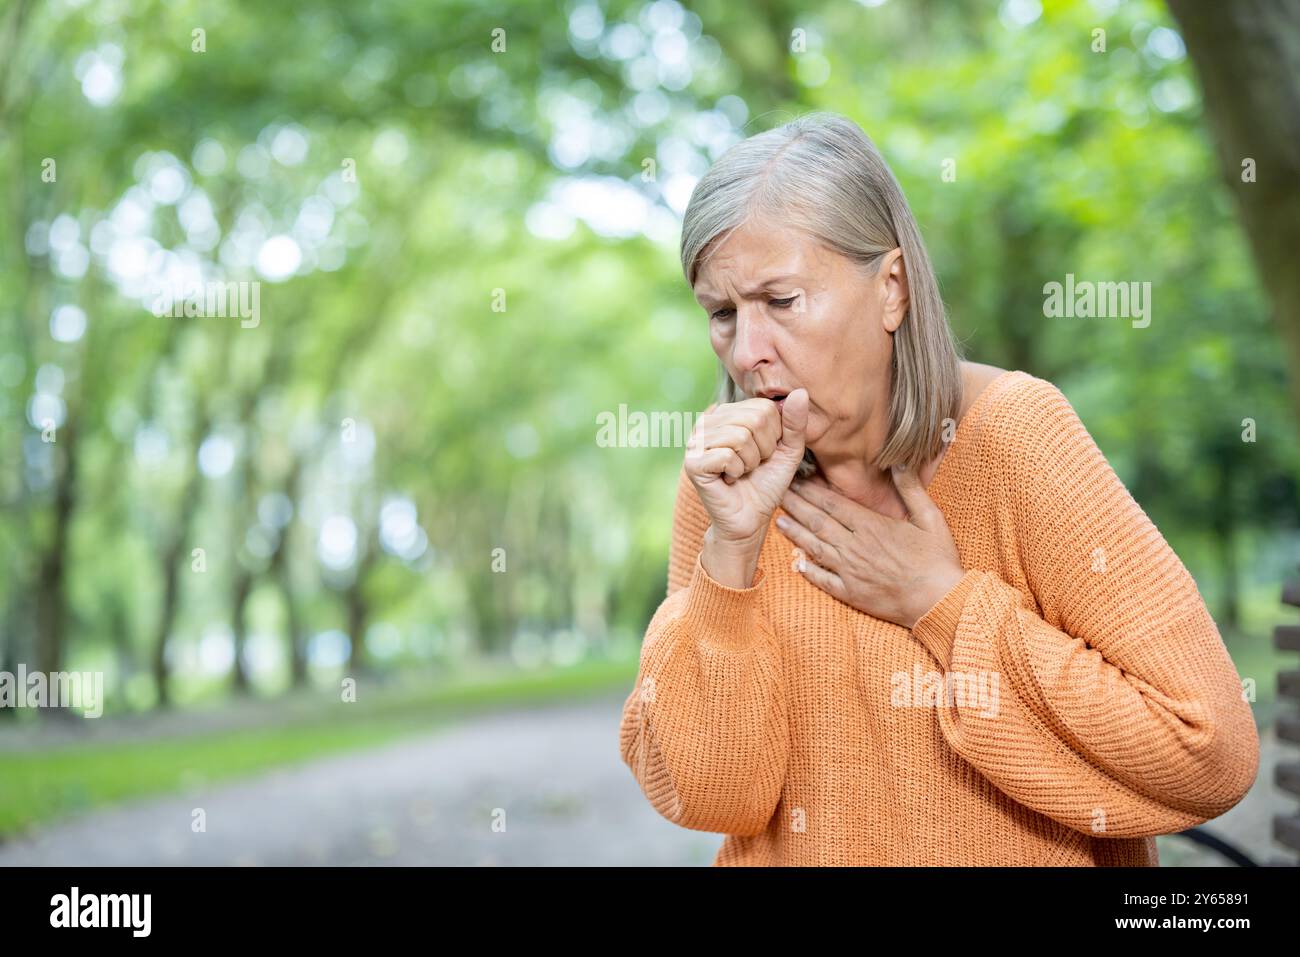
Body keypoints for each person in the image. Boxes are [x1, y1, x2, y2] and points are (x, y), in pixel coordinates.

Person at [617, 111, 1258, 866]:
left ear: (890, 289)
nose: (749, 352)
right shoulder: (723, 488)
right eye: (723, 314)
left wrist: (941, 605)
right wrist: (729, 556)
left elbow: (1206, 749)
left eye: (781, 301)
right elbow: (714, 797)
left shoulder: (1015, 435)